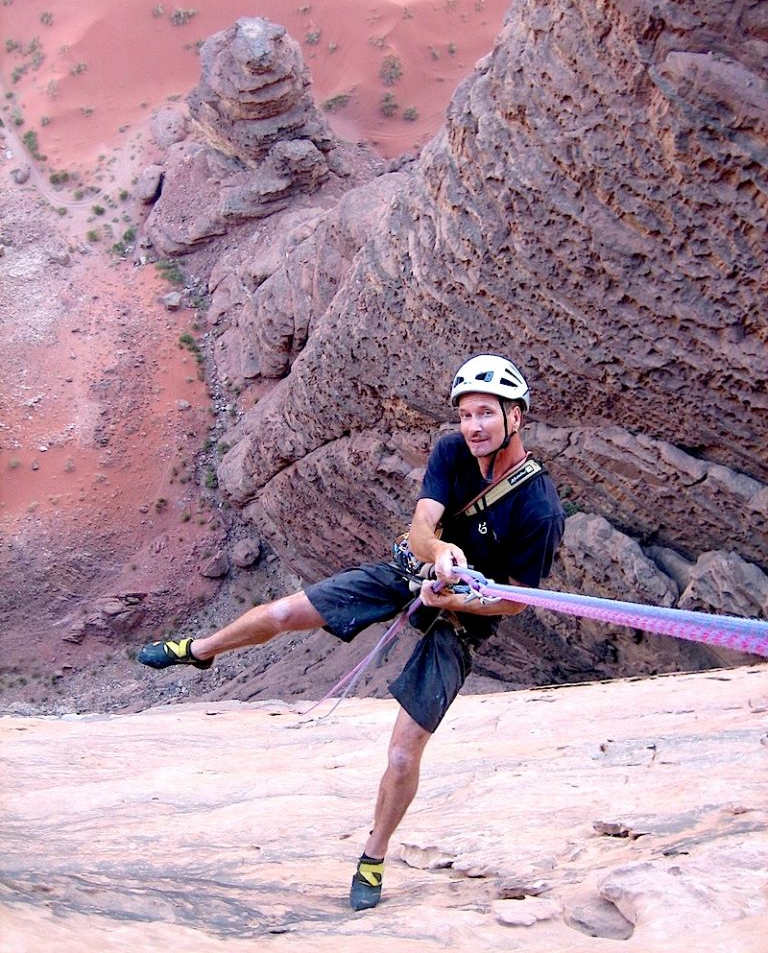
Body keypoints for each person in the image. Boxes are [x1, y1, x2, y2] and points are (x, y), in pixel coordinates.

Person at [137, 353, 565, 911]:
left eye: (486, 413)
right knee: (286, 613)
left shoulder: (539, 508)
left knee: (403, 756)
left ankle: (373, 857)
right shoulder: (452, 451)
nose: (473, 426)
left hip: (464, 619)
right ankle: (199, 651)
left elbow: (511, 601)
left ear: (517, 419)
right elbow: (419, 528)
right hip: (413, 573)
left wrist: (455, 597)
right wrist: (438, 552)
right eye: (465, 414)